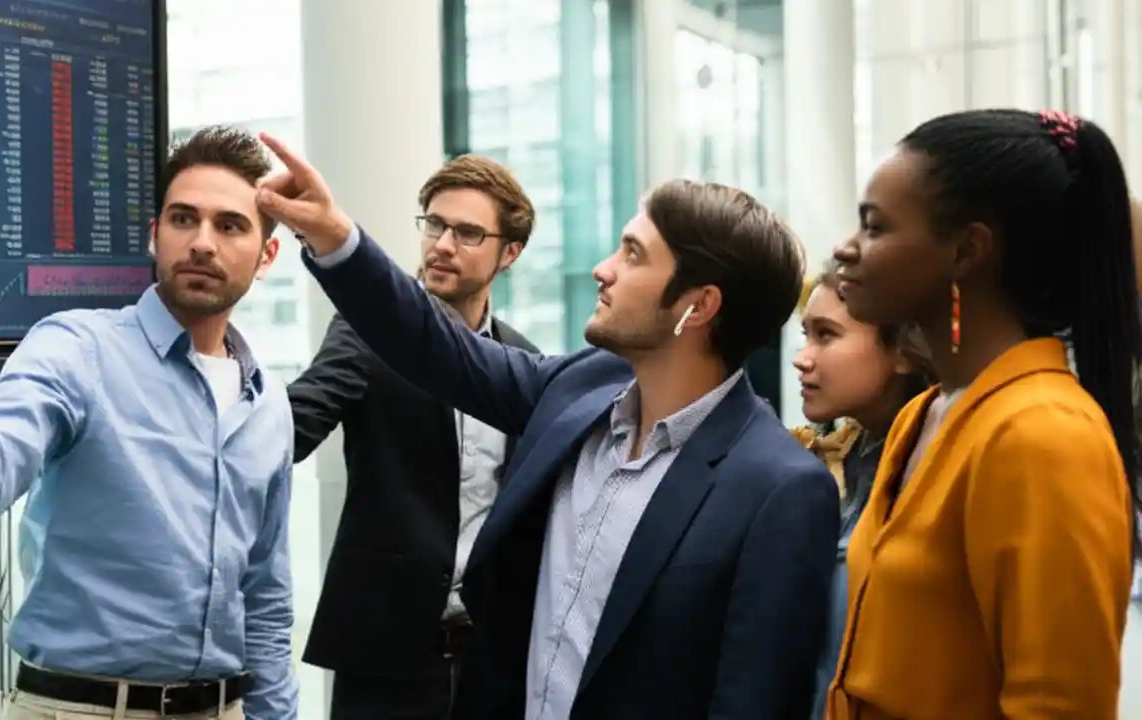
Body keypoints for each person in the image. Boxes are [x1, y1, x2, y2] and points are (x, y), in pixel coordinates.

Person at [256, 133, 839, 718]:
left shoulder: (779, 488)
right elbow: (434, 345)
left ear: (699, 306)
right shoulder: (578, 389)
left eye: (632, 254)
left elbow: (752, 701)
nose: (602, 270)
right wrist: (333, 235)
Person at [0, 127, 297, 720]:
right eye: (184, 220)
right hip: (79, 709)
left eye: (230, 225)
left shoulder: (268, 403)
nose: (203, 243)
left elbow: (265, 598)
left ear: (266, 256)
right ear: (155, 235)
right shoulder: (74, 348)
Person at [828, 109, 1140, 719]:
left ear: (967, 251)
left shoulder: (1043, 435)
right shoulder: (926, 414)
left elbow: (1059, 706)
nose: (846, 247)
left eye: (874, 227)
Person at [288, 155, 539, 718]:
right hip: (386, 657)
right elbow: (298, 421)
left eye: (468, 232)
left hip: (492, 658)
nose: (442, 244)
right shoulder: (367, 329)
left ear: (510, 252)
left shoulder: (522, 362)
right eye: (434, 224)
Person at [788, 264, 934, 719]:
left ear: (904, 352)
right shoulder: (832, 460)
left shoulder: (932, 473)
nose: (802, 357)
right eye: (806, 334)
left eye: (826, 335)